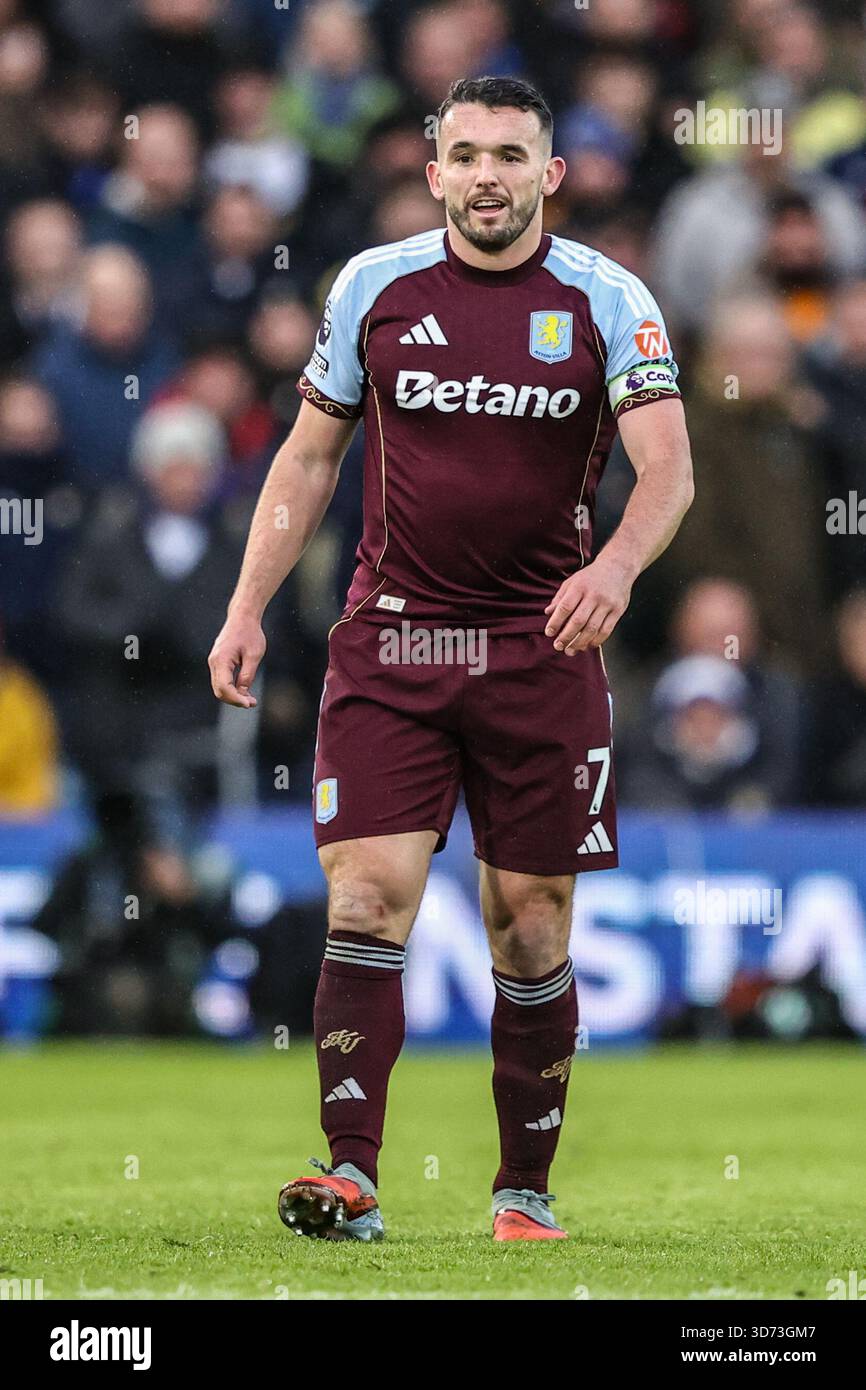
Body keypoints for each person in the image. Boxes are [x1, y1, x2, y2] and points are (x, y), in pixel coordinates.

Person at [208, 76, 694, 1242]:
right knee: (366, 897)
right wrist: (245, 606)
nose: (486, 176)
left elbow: (667, 471)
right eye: (464, 155)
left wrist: (615, 568)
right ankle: (351, 1171)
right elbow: (308, 460)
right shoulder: (372, 287)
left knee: (529, 924)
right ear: (432, 173)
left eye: (509, 156)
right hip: (393, 644)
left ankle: (522, 1190)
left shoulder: (605, 297)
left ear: (549, 174)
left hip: (541, 650)